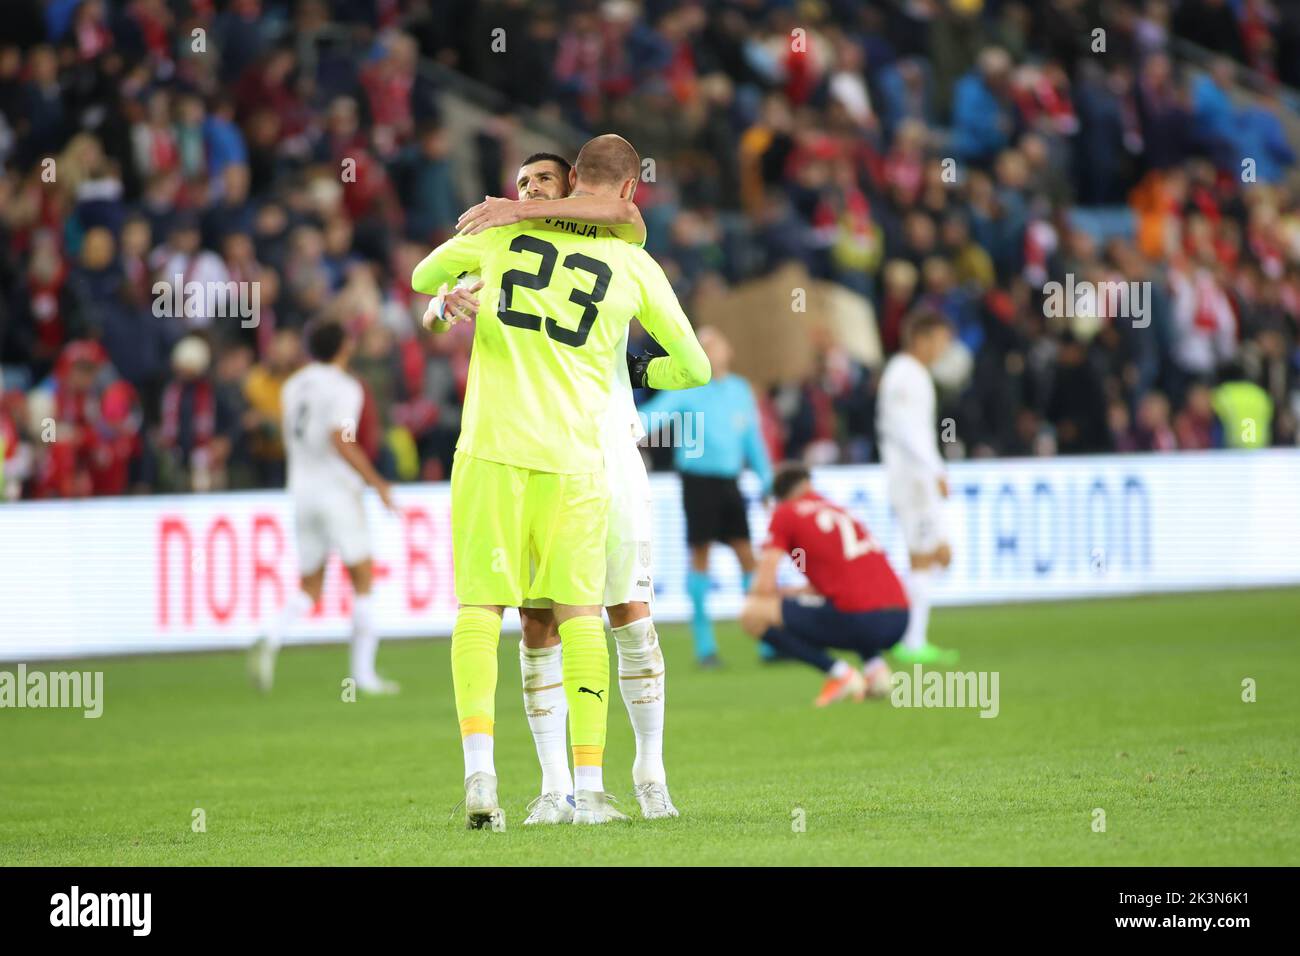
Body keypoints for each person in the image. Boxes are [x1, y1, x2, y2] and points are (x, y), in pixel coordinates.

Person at [411, 134, 710, 829]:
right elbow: (691, 363)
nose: (533, 191)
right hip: (570, 454)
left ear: (573, 183)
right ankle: (561, 788)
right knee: (550, 620)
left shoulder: (512, 236)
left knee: (621, 615)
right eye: (523, 183)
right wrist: (446, 306)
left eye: (544, 181)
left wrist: (635, 374)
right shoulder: (611, 257)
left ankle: (645, 773)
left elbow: (427, 276)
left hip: (572, 450)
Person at [248, 321, 399, 696]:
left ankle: (270, 637)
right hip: (336, 491)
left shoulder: (294, 384)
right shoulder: (345, 387)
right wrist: (376, 482)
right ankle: (363, 675)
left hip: (301, 490)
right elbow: (341, 437)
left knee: (311, 585)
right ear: (345, 346)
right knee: (362, 577)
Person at [637, 326, 773, 667]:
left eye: (715, 344)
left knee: (747, 556)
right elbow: (656, 414)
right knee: (701, 556)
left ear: (728, 351)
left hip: (730, 481)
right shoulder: (689, 386)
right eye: (704, 345)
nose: (711, 350)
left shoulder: (741, 390)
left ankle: (767, 639)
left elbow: (753, 440)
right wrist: (626, 429)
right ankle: (704, 646)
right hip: (698, 481)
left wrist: (768, 481)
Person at [741, 463, 909, 706]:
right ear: (808, 484)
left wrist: (769, 594)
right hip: (900, 618)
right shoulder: (840, 510)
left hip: (862, 619)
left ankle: (842, 674)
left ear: (778, 497)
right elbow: (838, 582)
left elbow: (763, 585)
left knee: (753, 614)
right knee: (844, 600)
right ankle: (876, 670)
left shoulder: (786, 512)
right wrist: (793, 593)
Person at [876, 307, 959, 666]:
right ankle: (912, 642)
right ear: (922, 338)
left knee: (929, 555)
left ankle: (911, 638)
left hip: (914, 476)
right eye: (940, 341)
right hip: (912, 478)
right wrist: (936, 469)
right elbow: (907, 432)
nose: (943, 349)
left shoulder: (910, 373)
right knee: (925, 557)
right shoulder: (905, 375)